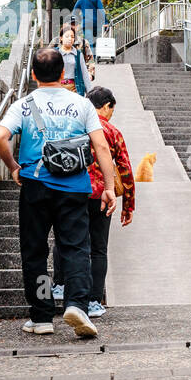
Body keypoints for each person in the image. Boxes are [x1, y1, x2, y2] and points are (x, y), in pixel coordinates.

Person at [0, 47, 116, 338]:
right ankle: (77, 305)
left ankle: (42, 316)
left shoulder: (24, 105)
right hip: (74, 187)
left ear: (33, 75)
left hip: (36, 185)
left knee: (35, 251)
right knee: (75, 248)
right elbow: (101, 147)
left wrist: (13, 166)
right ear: (63, 74)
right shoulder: (82, 104)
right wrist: (108, 188)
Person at [52, 86, 135, 319]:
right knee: (98, 249)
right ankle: (93, 301)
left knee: (65, 240)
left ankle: (59, 286)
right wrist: (128, 205)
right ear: (106, 106)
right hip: (100, 195)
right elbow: (126, 170)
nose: (110, 114)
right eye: (111, 110)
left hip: (71, 192)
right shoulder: (111, 131)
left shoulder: (71, 125)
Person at [52, 25, 92, 96]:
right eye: (67, 36)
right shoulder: (55, 53)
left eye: (72, 37)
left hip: (75, 89)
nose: (70, 39)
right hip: (58, 89)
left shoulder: (78, 54)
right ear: (61, 38)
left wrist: (90, 93)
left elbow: (84, 74)